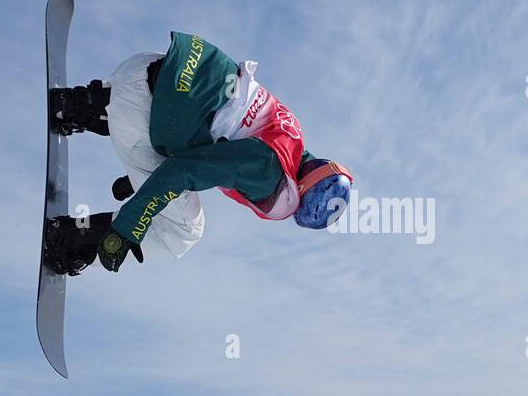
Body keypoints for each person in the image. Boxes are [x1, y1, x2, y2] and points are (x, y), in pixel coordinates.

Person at [45, 31, 353, 275]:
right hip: (137, 112)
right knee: (184, 231)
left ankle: (78, 105)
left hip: (139, 71)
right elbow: (181, 172)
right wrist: (127, 229)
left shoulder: (287, 132)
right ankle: (69, 243)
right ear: (298, 194)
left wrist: (143, 183)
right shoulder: (270, 172)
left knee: (189, 124)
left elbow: (210, 132)